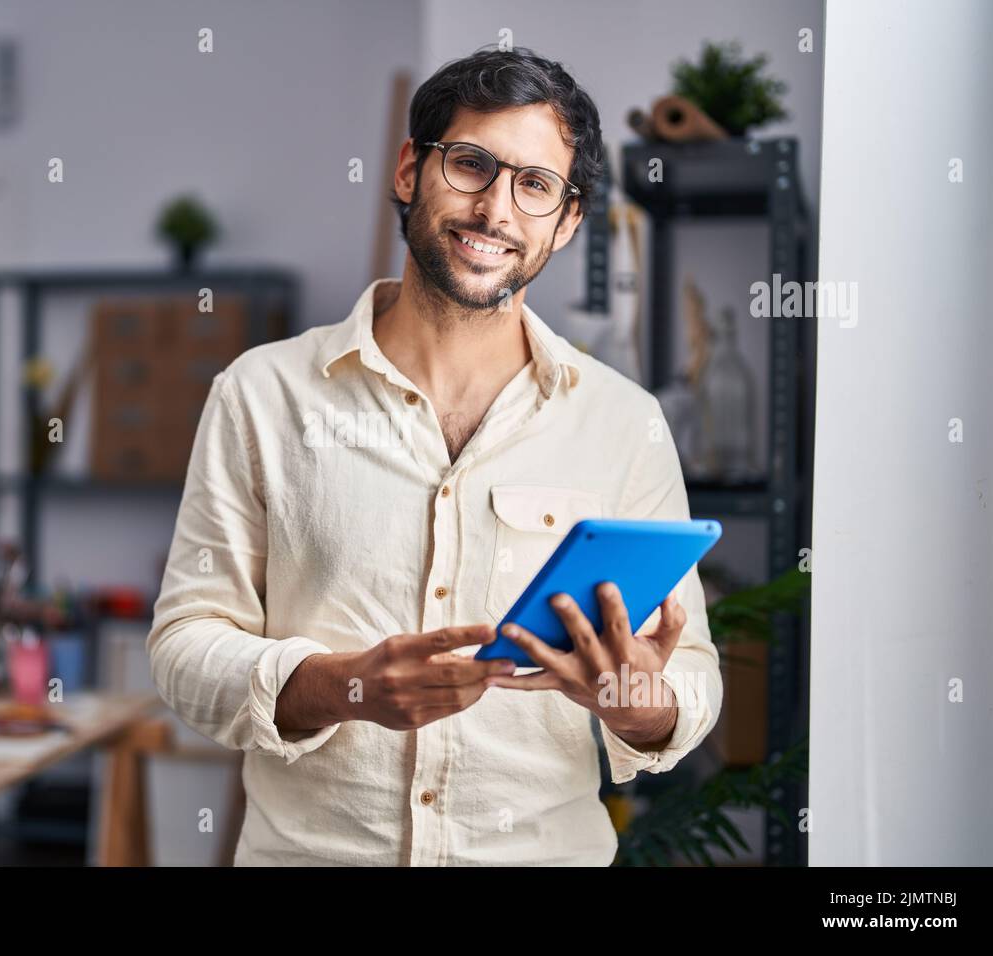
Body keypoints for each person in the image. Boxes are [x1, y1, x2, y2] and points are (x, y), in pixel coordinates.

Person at [148, 46, 721, 866]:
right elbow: (184, 646)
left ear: (567, 220)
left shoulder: (624, 424)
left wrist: (635, 701)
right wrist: (343, 685)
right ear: (412, 169)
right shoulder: (261, 395)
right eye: (471, 165)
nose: (495, 209)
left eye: (534, 185)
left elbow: (691, 669)